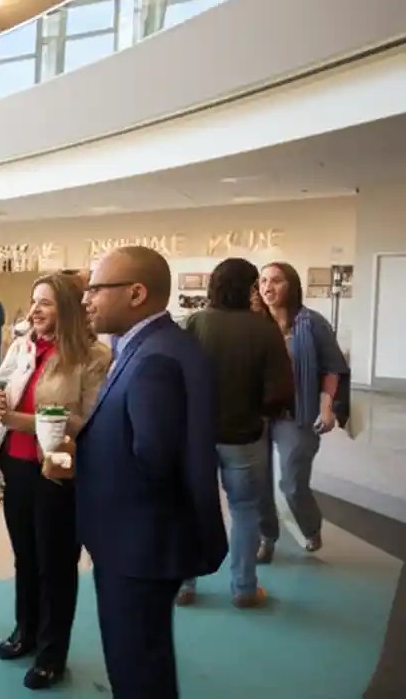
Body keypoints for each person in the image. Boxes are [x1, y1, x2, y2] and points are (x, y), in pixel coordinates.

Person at [77, 246, 227, 699]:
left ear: (136, 293)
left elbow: (154, 461)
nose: (86, 299)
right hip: (139, 541)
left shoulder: (154, 358)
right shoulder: (151, 345)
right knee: (143, 659)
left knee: (137, 668)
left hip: (138, 546)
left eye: (96, 289)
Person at [0, 273, 111, 690]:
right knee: (25, 556)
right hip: (16, 464)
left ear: (69, 308)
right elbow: (3, 381)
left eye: (46, 302)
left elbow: (87, 422)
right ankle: (25, 631)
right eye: (33, 301)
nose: (35, 310)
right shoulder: (23, 345)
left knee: (56, 564)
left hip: (58, 466)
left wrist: (16, 418)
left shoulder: (92, 357)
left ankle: (51, 653)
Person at [178, 259, 293, 609]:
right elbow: (280, 390)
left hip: (196, 435)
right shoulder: (265, 330)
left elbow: (176, 376)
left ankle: (184, 585)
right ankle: (244, 587)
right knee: (245, 510)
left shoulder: (195, 324)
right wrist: (261, 412)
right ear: (250, 287)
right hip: (244, 435)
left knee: (190, 508)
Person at [256, 262, 349, 559]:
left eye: (276, 280)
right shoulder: (255, 323)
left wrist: (327, 407)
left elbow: (332, 367)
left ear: (292, 285)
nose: (268, 287)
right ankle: (266, 536)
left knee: (292, 484)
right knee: (258, 482)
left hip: (296, 413)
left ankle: (310, 527)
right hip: (258, 414)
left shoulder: (311, 323)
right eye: (263, 281)